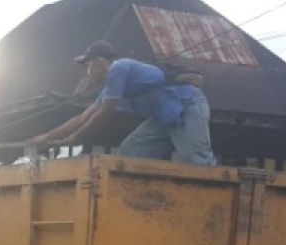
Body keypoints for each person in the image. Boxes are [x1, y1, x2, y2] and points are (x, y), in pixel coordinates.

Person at [30, 40, 216, 165]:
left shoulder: (118, 69)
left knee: (195, 159)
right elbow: (83, 117)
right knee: (132, 151)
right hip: (165, 118)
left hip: (187, 106)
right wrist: (47, 137)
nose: (87, 73)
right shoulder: (110, 86)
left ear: (99, 62)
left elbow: (104, 113)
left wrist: (73, 139)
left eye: (87, 66)